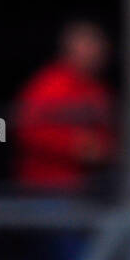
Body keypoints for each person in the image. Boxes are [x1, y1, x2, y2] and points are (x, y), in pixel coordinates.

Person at [13, 20, 117, 193]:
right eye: (88, 46)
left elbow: (107, 131)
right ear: (70, 49)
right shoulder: (48, 85)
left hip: (90, 186)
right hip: (48, 186)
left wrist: (108, 148)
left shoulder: (99, 90)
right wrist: (74, 146)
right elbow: (26, 129)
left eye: (98, 47)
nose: (96, 52)